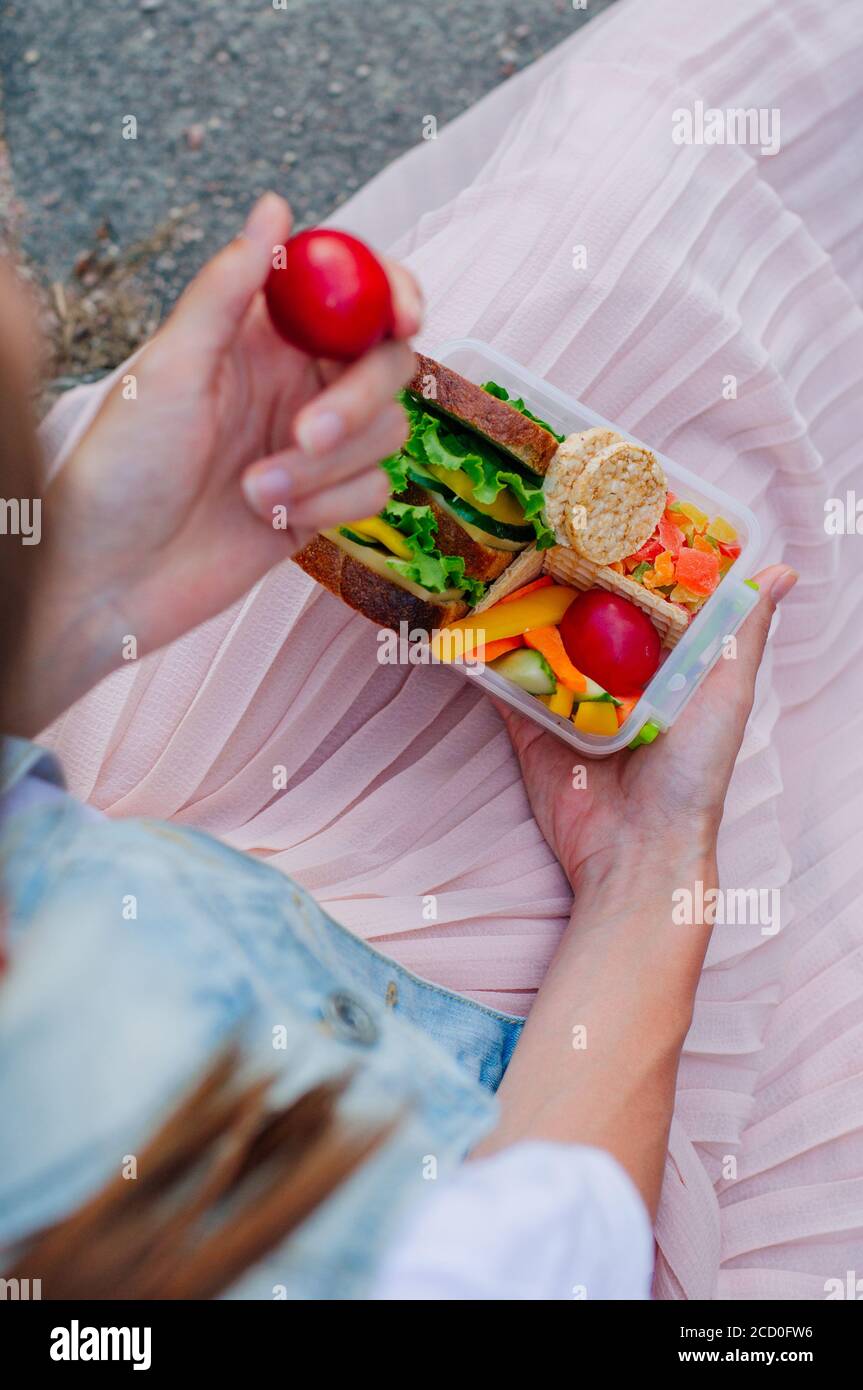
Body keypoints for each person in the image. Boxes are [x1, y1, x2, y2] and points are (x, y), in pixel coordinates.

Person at [0, 192, 793, 1298]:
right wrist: (649, 865)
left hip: (189, 828)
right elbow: (566, 1237)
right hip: (517, 1058)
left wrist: (81, 598)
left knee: (591, 240)